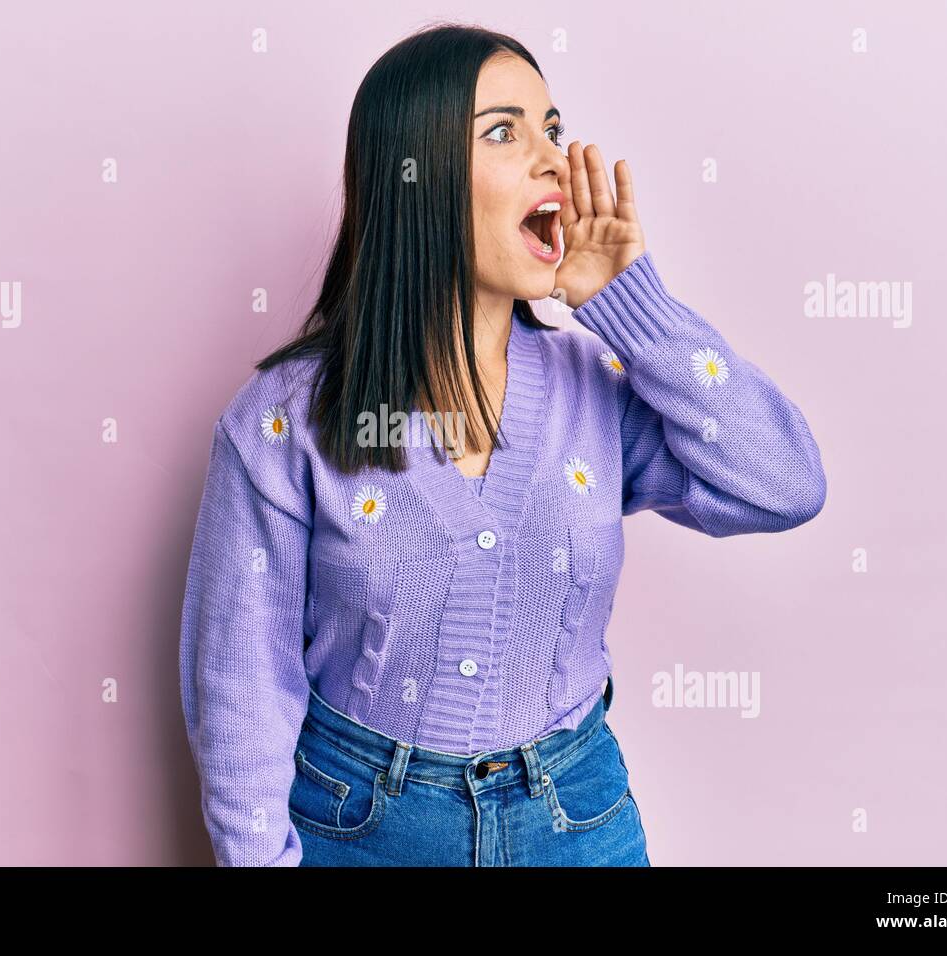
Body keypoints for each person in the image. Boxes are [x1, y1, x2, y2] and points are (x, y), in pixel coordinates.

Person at [179, 23, 826, 866]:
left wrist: (633, 305)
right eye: (504, 131)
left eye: (552, 128)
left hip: (576, 819)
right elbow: (240, 690)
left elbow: (782, 484)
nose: (556, 158)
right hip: (358, 829)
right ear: (416, 176)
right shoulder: (282, 421)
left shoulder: (594, 387)